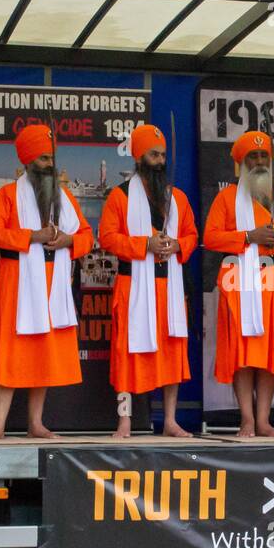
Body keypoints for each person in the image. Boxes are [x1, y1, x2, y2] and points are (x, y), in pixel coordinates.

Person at [0, 124, 94, 440]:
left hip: (52, 286)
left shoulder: (64, 196)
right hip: (17, 286)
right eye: (44, 159)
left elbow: (87, 236)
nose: (49, 164)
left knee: (42, 356)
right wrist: (32, 237)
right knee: (10, 355)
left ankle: (36, 423)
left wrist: (67, 241)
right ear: (30, 161)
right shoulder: (7, 195)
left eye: (51, 157)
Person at [203, 131, 274, 437]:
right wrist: (248, 237)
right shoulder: (226, 198)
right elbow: (210, 238)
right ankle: (247, 419)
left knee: (270, 352)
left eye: (264, 156)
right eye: (253, 157)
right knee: (245, 352)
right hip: (240, 282)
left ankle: (263, 420)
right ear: (241, 163)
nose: (260, 162)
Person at [99, 123, 198, 438]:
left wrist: (178, 245)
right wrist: (145, 244)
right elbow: (108, 239)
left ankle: (169, 421)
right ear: (139, 156)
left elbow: (192, 235)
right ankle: (124, 420)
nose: (160, 161)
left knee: (172, 353)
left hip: (169, 287)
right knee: (127, 356)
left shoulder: (178, 197)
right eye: (154, 155)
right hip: (133, 287)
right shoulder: (120, 196)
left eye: (163, 155)